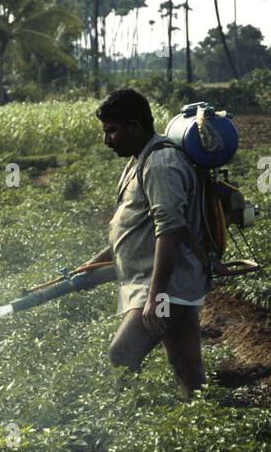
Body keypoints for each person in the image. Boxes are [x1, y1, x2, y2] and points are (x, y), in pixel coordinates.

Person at [83, 88, 208, 398]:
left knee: (122, 355)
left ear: (135, 127)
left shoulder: (161, 164)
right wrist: (94, 264)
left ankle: (125, 424)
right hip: (162, 284)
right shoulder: (140, 159)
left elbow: (169, 230)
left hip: (168, 287)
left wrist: (156, 298)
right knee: (188, 371)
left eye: (112, 130)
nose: (106, 140)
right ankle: (201, 426)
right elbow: (135, 228)